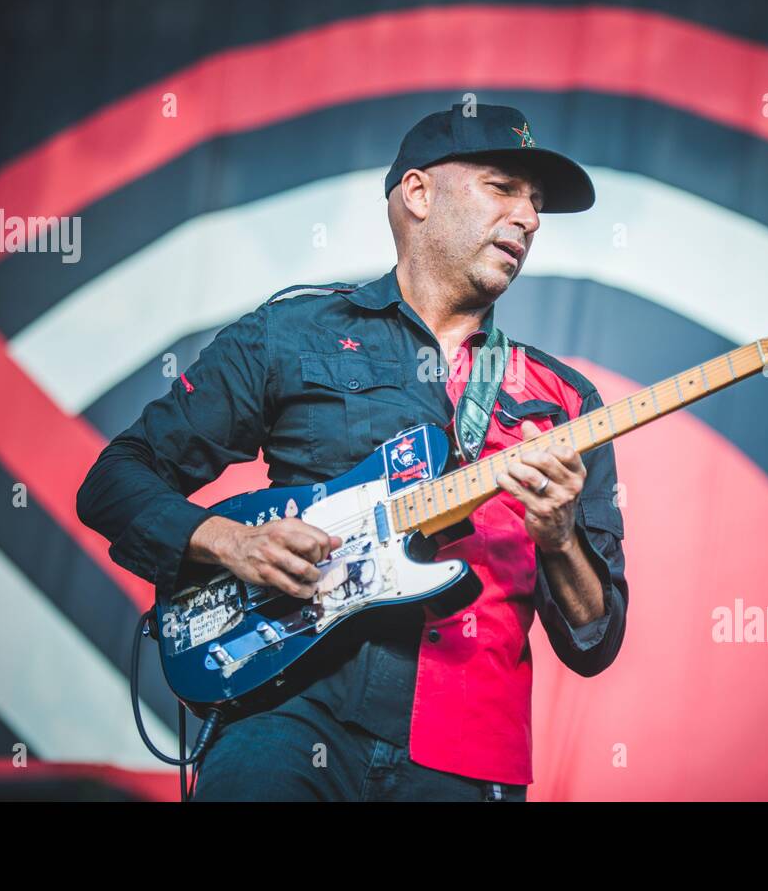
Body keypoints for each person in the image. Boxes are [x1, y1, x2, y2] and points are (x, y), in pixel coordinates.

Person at [76, 103, 629, 801]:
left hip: (467, 757)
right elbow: (114, 481)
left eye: (538, 204)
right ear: (418, 194)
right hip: (288, 713)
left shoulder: (565, 399)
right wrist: (229, 542)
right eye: (502, 187)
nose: (529, 218)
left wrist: (560, 537)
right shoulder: (293, 332)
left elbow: (595, 637)